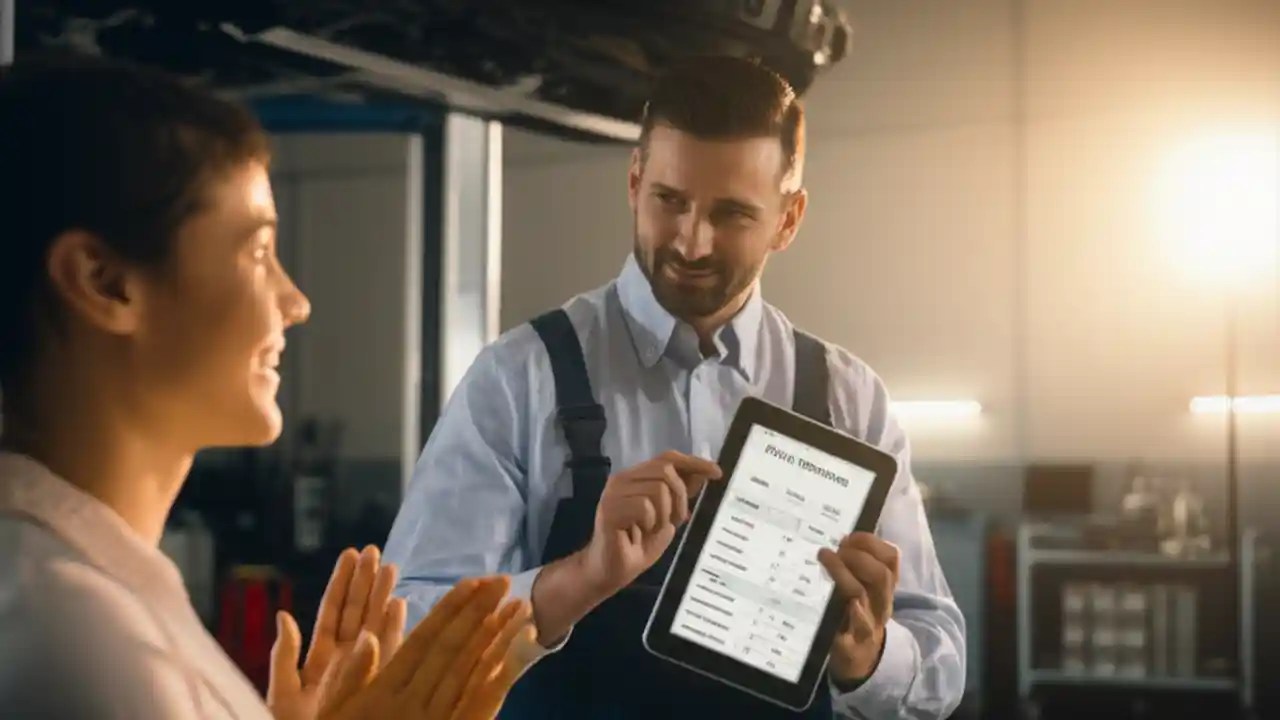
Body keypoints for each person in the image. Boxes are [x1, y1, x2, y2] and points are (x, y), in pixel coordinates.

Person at [384, 55, 966, 719]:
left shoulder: (850, 402)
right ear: (635, 182)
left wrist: (867, 657)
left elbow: (939, 662)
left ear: (789, 218)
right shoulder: (522, 377)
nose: (692, 241)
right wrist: (579, 579)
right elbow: (409, 633)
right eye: (671, 201)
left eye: (732, 215)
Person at [0, 54, 537, 719]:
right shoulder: (76, 641)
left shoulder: (75, 593)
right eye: (257, 253)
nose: (296, 300)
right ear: (105, 282)